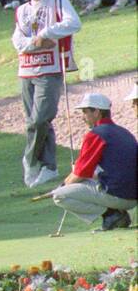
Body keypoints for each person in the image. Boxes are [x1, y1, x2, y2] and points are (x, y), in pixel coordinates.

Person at [8, 0, 81, 188]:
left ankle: (29, 160)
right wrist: (36, 43)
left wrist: (48, 34)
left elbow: (73, 23)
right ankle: (49, 167)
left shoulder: (57, 0)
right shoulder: (22, 10)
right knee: (36, 120)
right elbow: (17, 40)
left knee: (40, 119)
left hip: (50, 68)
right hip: (27, 68)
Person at [50, 93, 136, 231]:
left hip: (119, 196)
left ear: (97, 112)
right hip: (133, 196)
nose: (83, 116)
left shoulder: (96, 134)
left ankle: (112, 214)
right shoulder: (124, 132)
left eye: (85, 112)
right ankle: (115, 213)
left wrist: (61, 187)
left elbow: (81, 173)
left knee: (59, 196)